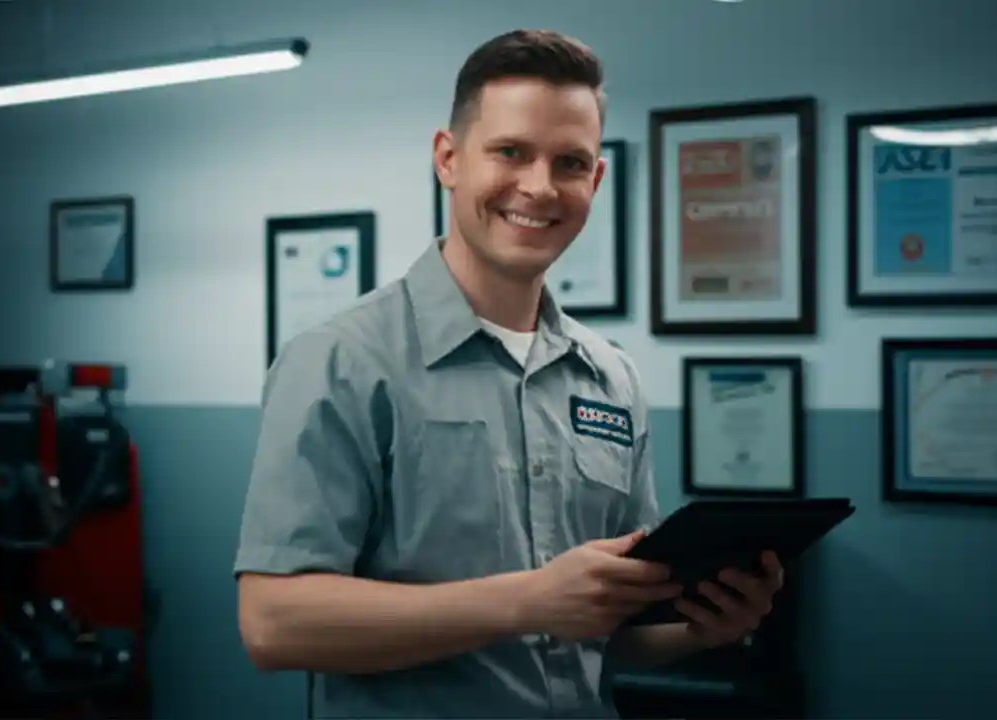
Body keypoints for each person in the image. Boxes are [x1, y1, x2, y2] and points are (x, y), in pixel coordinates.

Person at [233, 29, 785, 719]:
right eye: (511, 152)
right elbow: (273, 624)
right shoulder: (341, 361)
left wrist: (704, 628)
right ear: (448, 158)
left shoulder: (610, 379)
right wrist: (527, 600)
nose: (539, 187)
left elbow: (607, 631)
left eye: (570, 163)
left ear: (596, 179)